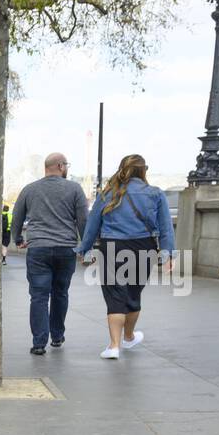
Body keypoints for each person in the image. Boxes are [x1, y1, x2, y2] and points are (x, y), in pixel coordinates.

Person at [75, 154, 175, 360]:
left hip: (112, 246)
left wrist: (84, 249)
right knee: (133, 295)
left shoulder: (108, 194)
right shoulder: (155, 194)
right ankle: (129, 337)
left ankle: (114, 346)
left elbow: (93, 224)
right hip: (144, 247)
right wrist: (167, 254)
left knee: (115, 296)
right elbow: (166, 227)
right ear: (143, 170)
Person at [11, 153, 89, 355]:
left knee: (38, 296)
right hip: (65, 249)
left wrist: (18, 239)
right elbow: (83, 221)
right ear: (61, 166)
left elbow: (16, 216)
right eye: (67, 165)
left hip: (38, 249)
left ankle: (39, 343)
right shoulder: (74, 189)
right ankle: (57, 336)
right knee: (60, 293)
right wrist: (85, 248)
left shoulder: (30, 189)